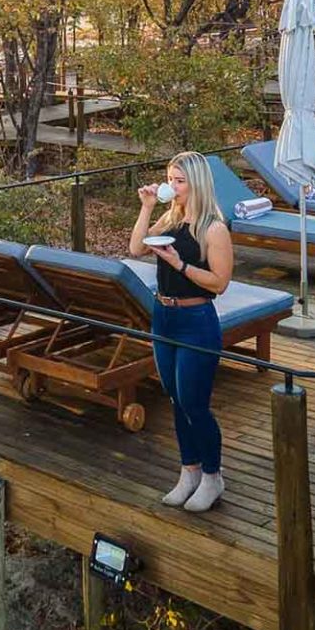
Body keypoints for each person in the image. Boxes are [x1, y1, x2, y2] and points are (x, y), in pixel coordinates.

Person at [130, 150, 234, 513]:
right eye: (169, 179)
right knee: (175, 400)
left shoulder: (213, 228)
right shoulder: (169, 218)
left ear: (197, 184)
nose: (171, 186)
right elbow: (135, 248)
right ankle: (188, 471)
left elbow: (219, 283)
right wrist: (145, 208)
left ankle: (212, 475)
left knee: (194, 403)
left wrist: (181, 264)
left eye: (179, 181)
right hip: (164, 317)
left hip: (196, 321)